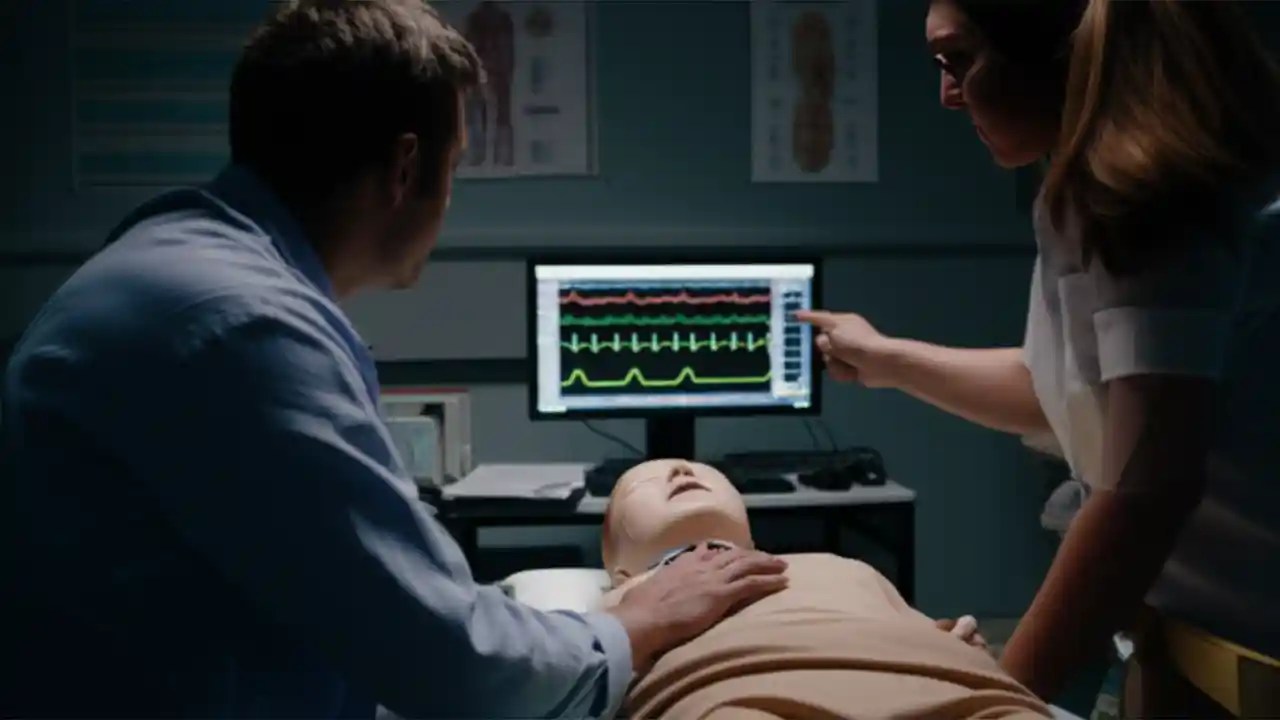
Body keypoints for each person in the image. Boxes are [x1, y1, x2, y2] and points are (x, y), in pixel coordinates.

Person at [0, 2, 789, 718]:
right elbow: (449, 660)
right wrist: (634, 623)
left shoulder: (179, 273)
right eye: (457, 165)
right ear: (407, 167)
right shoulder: (240, 325)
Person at [798, 0, 1280, 714]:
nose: (947, 93)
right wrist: (885, 359)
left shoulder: (1149, 200)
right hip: (1195, 636)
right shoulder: (1115, 189)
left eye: (959, 60)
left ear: (1058, 46)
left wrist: (997, 700)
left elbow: (1145, 489)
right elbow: (1068, 390)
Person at [598, 458, 1056, 720]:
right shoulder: (624, 605)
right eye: (646, 482)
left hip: (936, 687)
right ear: (619, 570)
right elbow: (586, 679)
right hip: (739, 695)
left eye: (708, 473)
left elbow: (917, 626)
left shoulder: (843, 567)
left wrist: (953, 644)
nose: (681, 470)